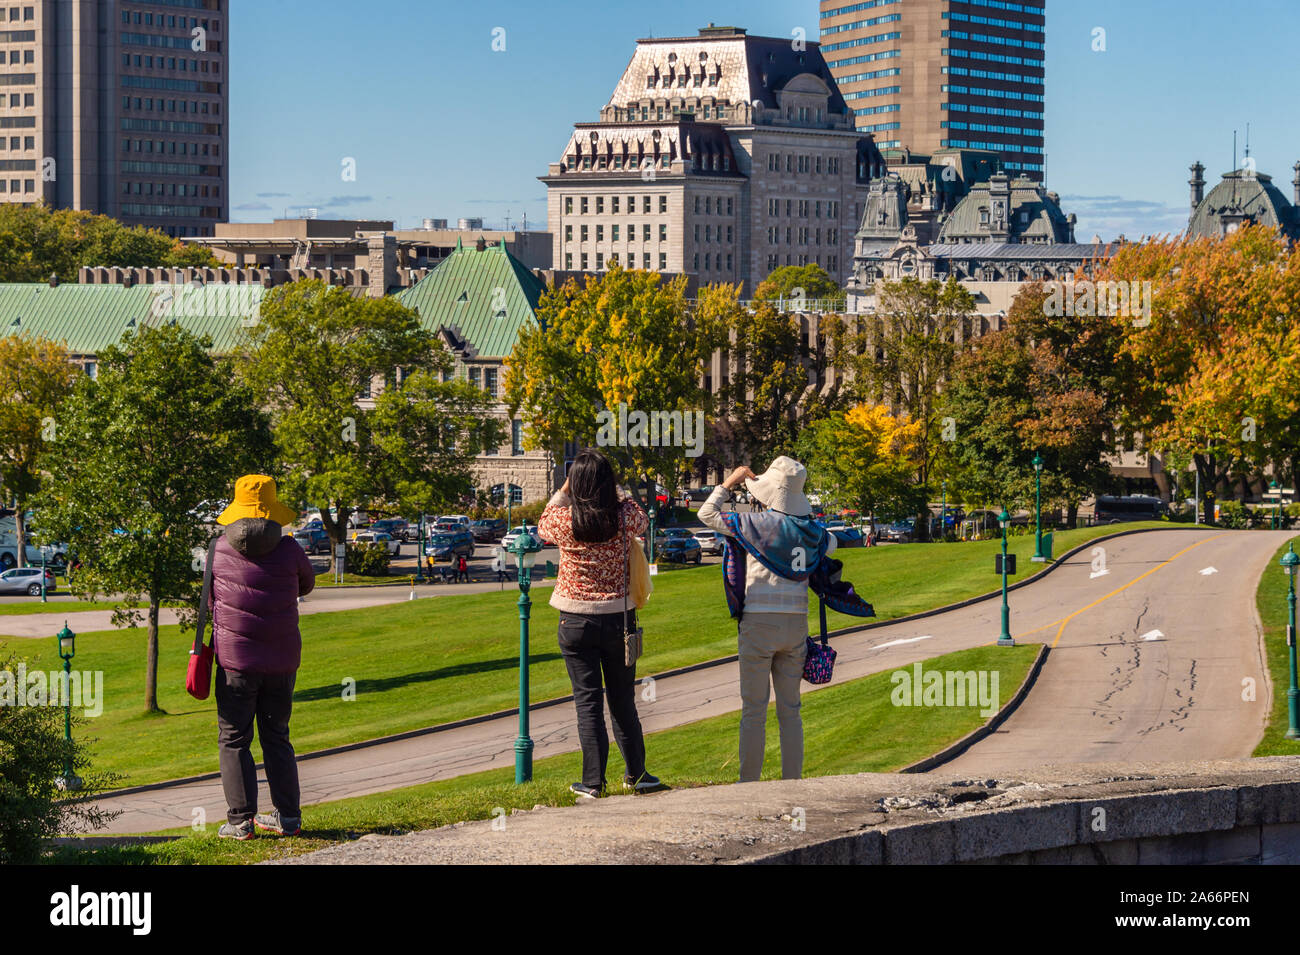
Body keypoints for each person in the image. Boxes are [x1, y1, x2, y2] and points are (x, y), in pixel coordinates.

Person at [699, 457, 835, 783]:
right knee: (791, 712)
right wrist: (804, 516)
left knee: (754, 712)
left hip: (759, 623)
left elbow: (706, 514)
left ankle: (749, 786)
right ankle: (792, 783)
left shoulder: (754, 525)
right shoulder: (813, 533)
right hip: (796, 625)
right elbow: (830, 542)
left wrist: (729, 483)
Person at [538, 449, 659, 798]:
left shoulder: (565, 521)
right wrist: (618, 492)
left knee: (587, 702)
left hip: (575, 620)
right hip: (619, 619)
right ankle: (637, 775)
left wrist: (565, 488)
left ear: (577, 483)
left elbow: (545, 521)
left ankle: (592, 782)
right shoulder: (623, 517)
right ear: (609, 483)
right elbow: (642, 518)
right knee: (623, 700)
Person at [211, 474, 315, 840]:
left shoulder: (218, 549)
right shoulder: (290, 549)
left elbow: (209, 599)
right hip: (282, 658)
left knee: (234, 738)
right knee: (277, 736)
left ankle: (240, 821)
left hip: (235, 663)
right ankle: (288, 817)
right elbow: (307, 584)